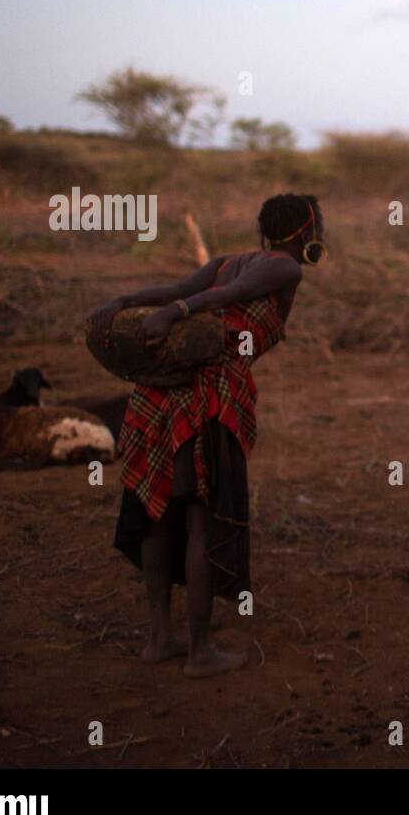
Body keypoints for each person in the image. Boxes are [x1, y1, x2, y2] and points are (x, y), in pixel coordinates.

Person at [87, 193, 325, 678]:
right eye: (319, 224)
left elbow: (189, 287)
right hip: (211, 400)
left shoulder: (228, 261)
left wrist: (130, 301)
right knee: (199, 519)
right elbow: (220, 298)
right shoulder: (286, 270)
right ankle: (198, 651)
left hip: (159, 397)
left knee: (159, 512)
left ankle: (160, 639)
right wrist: (165, 310)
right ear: (305, 231)